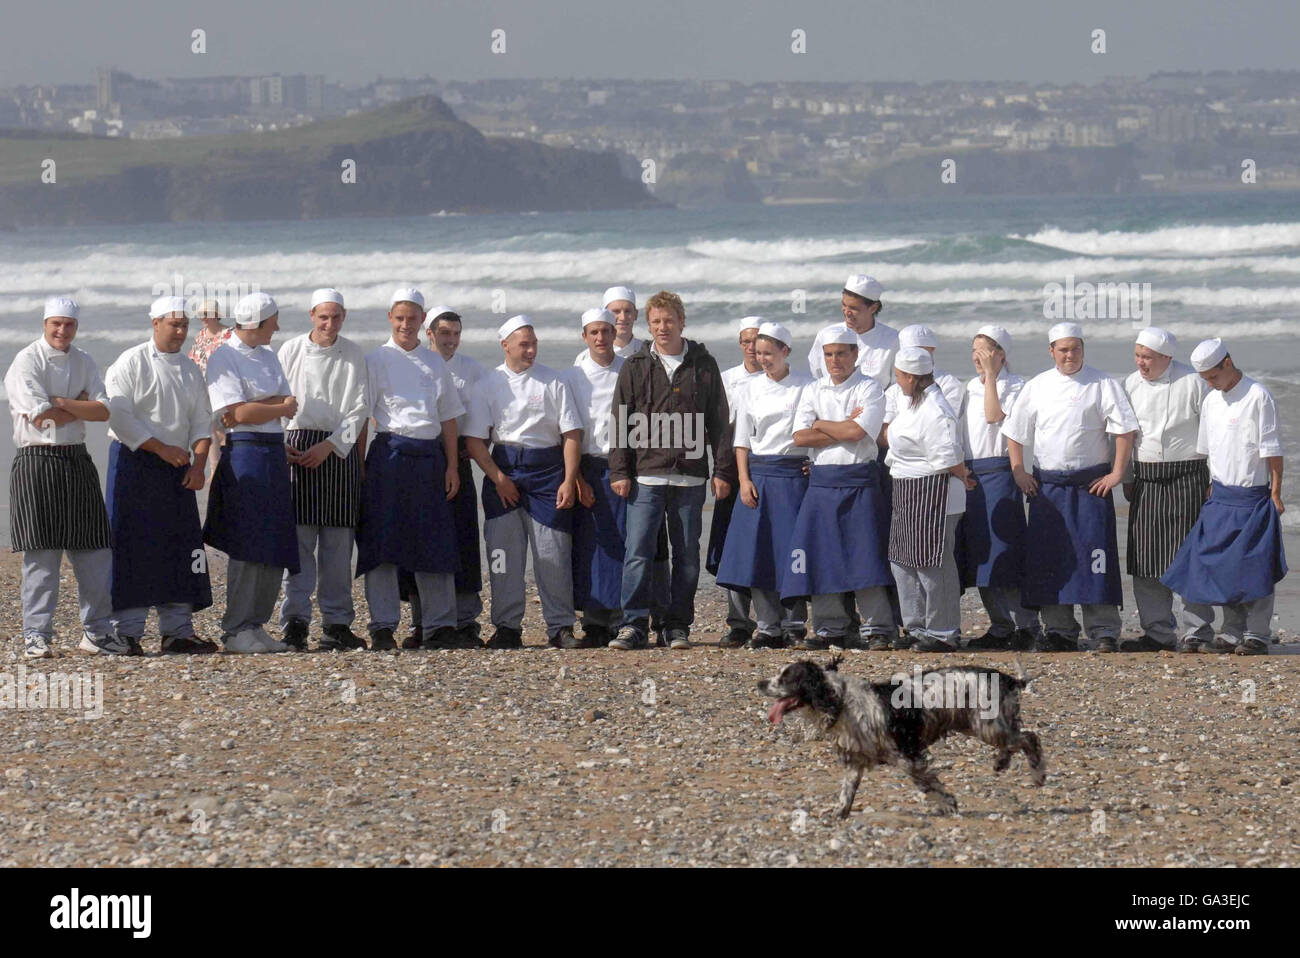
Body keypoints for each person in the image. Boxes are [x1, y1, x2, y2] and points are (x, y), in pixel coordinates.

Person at [607, 290, 734, 650]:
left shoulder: (703, 365)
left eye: (669, 320)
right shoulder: (635, 366)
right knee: (638, 552)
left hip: (690, 476)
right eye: (656, 322)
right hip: (645, 475)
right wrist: (619, 471)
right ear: (650, 325)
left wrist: (722, 471)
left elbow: (719, 422)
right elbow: (620, 421)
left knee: (687, 555)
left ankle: (676, 626)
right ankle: (633, 625)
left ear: (682, 322)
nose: (663, 327)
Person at [1001, 322, 1139, 652]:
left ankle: (1104, 630)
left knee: (1096, 558)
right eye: (1063, 349)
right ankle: (1060, 630)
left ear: (1083, 349)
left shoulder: (1103, 383)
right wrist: (1018, 472)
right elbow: (1015, 432)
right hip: (1047, 489)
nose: (1070, 355)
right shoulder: (1037, 386)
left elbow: (1124, 431)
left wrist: (1117, 473)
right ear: (1051, 351)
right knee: (1051, 561)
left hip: (1091, 487)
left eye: (1075, 348)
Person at [5, 296, 122, 658]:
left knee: (95, 550)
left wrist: (64, 403)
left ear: (76, 326)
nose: (62, 330)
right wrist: (78, 405)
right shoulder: (26, 361)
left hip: (77, 458)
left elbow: (103, 411)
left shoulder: (84, 360)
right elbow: (41, 419)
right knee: (42, 555)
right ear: (44, 324)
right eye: (56, 323)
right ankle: (36, 634)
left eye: (68, 324)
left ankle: (97, 631)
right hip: (36, 459)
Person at [104, 296, 215, 655]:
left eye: (184, 325)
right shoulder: (130, 361)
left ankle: (178, 631)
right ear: (155, 323)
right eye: (174, 324)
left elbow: (201, 422)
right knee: (131, 545)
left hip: (179, 466)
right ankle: (127, 633)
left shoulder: (190, 369)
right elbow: (119, 417)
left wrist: (199, 465)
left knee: (181, 547)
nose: (181, 331)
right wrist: (160, 448)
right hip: (134, 461)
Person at [464, 315, 583, 649]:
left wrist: (569, 479)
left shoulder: (553, 381)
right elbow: (475, 441)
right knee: (503, 555)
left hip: (548, 472)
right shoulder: (487, 385)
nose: (531, 350)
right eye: (524, 344)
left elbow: (571, 434)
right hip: (504, 469)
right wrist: (499, 478)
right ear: (506, 346)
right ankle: (507, 626)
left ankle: (560, 626)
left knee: (554, 554)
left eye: (534, 344)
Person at [1161, 339, 1286, 655]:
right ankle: (1199, 630)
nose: (1209, 383)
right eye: (1204, 378)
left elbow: (1272, 450)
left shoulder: (1259, 396)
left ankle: (1255, 634)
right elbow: (1208, 451)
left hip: (1253, 497)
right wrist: (1209, 489)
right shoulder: (1210, 401)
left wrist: (1275, 492)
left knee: (1253, 567)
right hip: (1219, 496)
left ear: (1227, 363)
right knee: (1196, 562)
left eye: (1212, 376)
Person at [356, 287, 464, 651]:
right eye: (399, 318)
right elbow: (360, 418)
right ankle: (383, 626)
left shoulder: (434, 362)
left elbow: (448, 418)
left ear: (423, 322)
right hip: (389, 455)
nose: (406, 324)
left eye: (413, 318)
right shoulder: (374, 359)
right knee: (381, 544)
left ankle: (439, 625)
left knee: (434, 542)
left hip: (429, 458)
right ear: (390, 319)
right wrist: (359, 468)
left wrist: (452, 466)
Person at [785, 327, 894, 651]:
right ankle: (830, 627)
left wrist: (820, 423)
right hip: (821, 481)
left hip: (859, 479)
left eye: (842, 353)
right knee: (822, 556)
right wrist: (842, 428)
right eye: (829, 354)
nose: (835, 360)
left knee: (867, 555)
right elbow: (799, 437)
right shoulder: (812, 389)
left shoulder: (870, 388)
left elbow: (861, 432)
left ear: (855, 354)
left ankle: (879, 628)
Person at [203, 291, 299, 653]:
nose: (277, 326)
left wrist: (264, 407)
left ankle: (256, 624)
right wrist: (272, 406)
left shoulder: (270, 355)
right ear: (258, 323)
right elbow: (235, 415)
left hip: (273, 451)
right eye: (273, 320)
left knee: (273, 540)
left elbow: (286, 405)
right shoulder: (224, 357)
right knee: (247, 543)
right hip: (244, 453)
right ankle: (236, 627)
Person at [276, 288, 369, 652]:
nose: (329, 323)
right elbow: (278, 400)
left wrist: (330, 446)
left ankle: (336, 623)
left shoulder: (354, 353)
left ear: (343, 317)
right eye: (323, 316)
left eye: (336, 317)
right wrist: (281, 443)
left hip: (338, 449)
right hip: (296, 446)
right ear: (312, 315)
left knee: (337, 547)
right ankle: (294, 622)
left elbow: (360, 407)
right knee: (298, 546)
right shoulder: (290, 350)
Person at [717, 322, 812, 648]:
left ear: (785, 351)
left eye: (768, 353)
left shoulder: (806, 385)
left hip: (794, 476)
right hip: (758, 475)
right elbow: (741, 440)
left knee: (793, 553)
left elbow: (813, 430)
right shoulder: (750, 388)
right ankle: (768, 625)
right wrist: (743, 480)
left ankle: (795, 625)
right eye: (758, 353)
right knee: (758, 552)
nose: (763, 359)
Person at [1121, 327, 1212, 652]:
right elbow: (1125, 434)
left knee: (1190, 557)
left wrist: (1212, 479)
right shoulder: (1130, 384)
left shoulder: (1193, 382)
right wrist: (1127, 475)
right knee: (1145, 559)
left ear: (1166, 357)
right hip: (1146, 477)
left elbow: (1211, 430)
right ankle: (1157, 632)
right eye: (1137, 355)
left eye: (1147, 357)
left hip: (1188, 475)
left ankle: (1197, 633)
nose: (1141, 363)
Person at [402, 304, 488, 648]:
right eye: (444, 333)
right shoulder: (416, 363)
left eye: (456, 334)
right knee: (421, 541)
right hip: (422, 458)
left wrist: (478, 444)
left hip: (460, 459)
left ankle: (466, 622)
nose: (451, 340)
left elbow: (488, 414)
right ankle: (422, 623)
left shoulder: (475, 370)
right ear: (429, 333)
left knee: (463, 539)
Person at [879, 347, 973, 652]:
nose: (897, 381)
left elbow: (948, 456)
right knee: (902, 561)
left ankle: (944, 632)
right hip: (905, 488)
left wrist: (964, 476)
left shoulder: (936, 409)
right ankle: (917, 627)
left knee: (933, 562)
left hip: (934, 490)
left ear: (910, 376)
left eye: (898, 376)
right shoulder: (910, 403)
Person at [956, 326, 1040, 651]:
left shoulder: (1016, 386)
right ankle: (1000, 625)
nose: (978, 358)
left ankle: (1027, 625)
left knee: (1007, 548)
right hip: (972, 474)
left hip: (1001, 472)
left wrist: (991, 376)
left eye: (986, 352)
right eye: (974, 351)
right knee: (981, 552)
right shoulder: (967, 387)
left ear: (1001, 355)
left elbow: (995, 417)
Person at [566, 308, 627, 647]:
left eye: (606, 331)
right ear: (585, 337)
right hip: (586, 467)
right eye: (594, 333)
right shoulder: (573, 376)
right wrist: (575, 478)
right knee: (589, 544)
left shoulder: (629, 370)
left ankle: (621, 619)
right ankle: (592, 621)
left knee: (621, 540)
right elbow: (569, 429)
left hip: (620, 468)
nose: (601, 338)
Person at [708, 316, 766, 647]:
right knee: (732, 546)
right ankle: (739, 621)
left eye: (757, 341)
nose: (752, 347)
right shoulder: (726, 380)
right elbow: (718, 431)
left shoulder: (786, 380)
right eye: (746, 341)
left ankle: (778, 619)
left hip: (771, 469)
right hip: (731, 469)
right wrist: (720, 472)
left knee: (768, 542)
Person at [807, 274, 899, 390]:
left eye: (854, 308)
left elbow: (896, 387)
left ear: (873, 308)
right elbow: (817, 375)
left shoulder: (892, 340)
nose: (846, 312)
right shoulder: (826, 335)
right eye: (844, 305)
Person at [883, 325, 965, 420]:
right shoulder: (894, 390)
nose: (912, 356)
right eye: (907, 352)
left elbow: (944, 422)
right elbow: (886, 427)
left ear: (931, 349)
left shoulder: (950, 385)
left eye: (917, 350)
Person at [573, 286, 645, 362]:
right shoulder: (585, 358)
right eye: (616, 311)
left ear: (636, 314)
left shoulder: (647, 352)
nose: (623, 317)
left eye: (627, 311)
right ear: (606, 315)